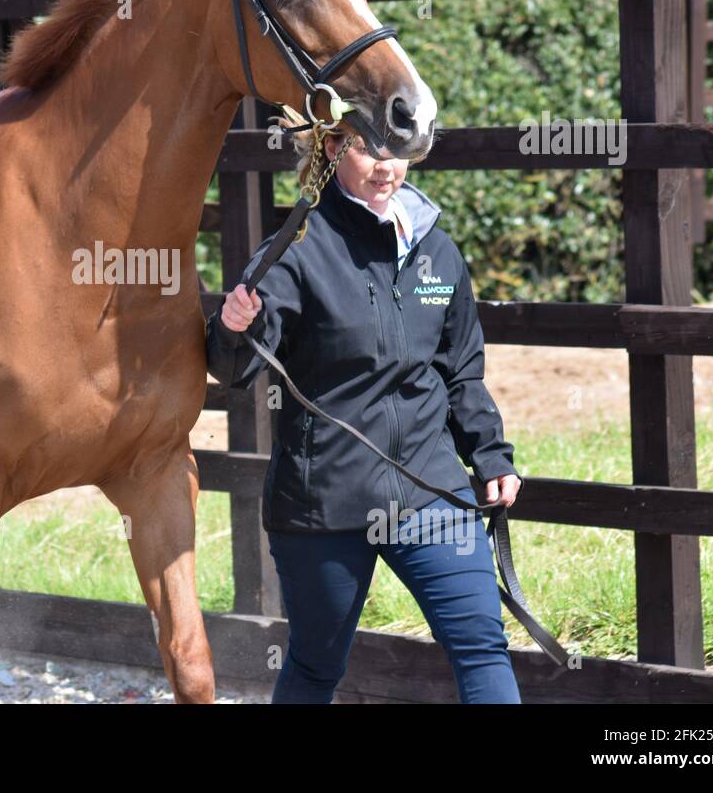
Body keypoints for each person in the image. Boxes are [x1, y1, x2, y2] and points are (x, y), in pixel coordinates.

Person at [206, 125, 524, 704]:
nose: (387, 166)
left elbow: (459, 371)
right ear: (331, 148)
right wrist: (231, 330)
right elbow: (234, 370)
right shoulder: (296, 249)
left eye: (398, 152)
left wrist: (489, 454)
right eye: (369, 148)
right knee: (315, 666)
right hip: (326, 502)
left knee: (482, 646)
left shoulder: (438, 250)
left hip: (431, 492)